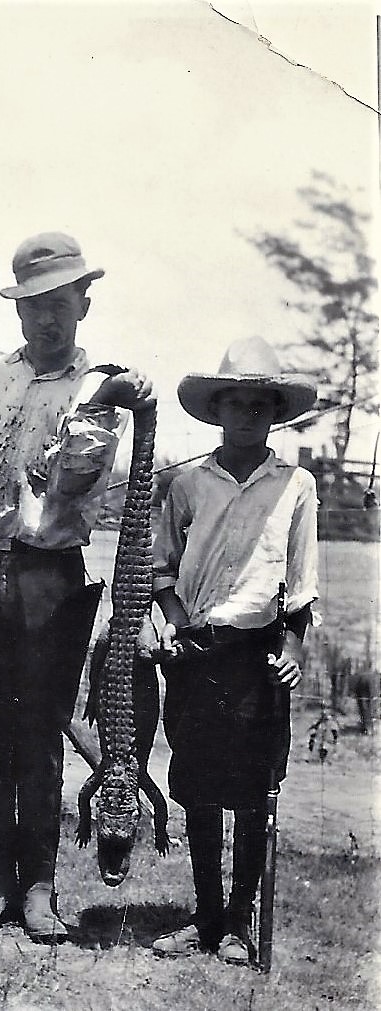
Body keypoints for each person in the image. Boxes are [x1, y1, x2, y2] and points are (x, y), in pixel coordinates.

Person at [0, 232, 154, 942]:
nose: (47, 319)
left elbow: (77, 474)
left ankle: (40, 888)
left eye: (59, 303)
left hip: (50, 576)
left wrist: (100, 401)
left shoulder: (95, 387)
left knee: (40, 735)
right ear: (17, 309)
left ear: (83, 301)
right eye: (33, 305)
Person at [151, 336, 318, 965]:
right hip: (198, 652)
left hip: (258, 657)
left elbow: (302, 580)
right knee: (197, 785)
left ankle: (240, 916)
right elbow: (161, 567)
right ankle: (204, 914)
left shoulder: (296, 485)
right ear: (216, 409)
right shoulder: (190, 483)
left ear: (275, 412)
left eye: (260, 403)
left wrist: (294, 645)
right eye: (235, 402)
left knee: (254, 791)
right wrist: (170, 620)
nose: (246, 414)